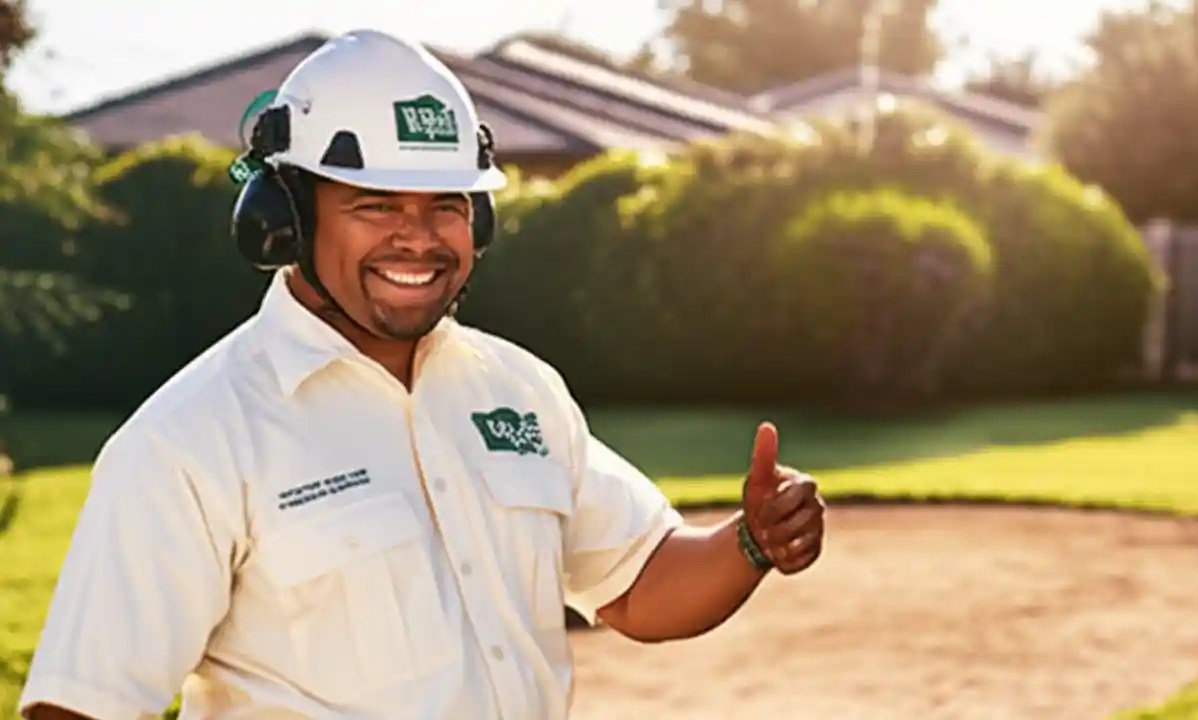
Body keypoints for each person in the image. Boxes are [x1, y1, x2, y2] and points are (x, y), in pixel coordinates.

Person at [19, 29, 826, 720]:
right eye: (375, 204)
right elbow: (83, 704)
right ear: (286, 218)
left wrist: (750, 541)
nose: (419, 237)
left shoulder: (520, 393)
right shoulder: (192, 439)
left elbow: (638, 585)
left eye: (446, 203)